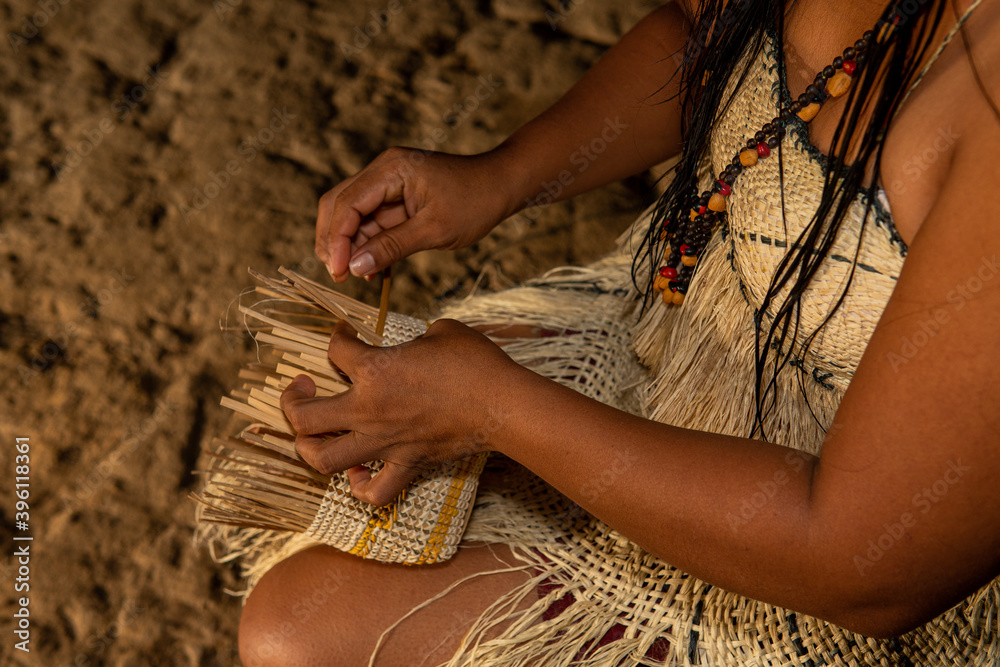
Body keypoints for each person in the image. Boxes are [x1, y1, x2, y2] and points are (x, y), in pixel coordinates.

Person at [234, 0, 1000, 664]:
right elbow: (703, 29)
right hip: (682, 333)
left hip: (823, 554)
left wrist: (494, 409)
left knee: (301, 629)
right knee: (304, 447)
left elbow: (861, 566)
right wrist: (499, 176)